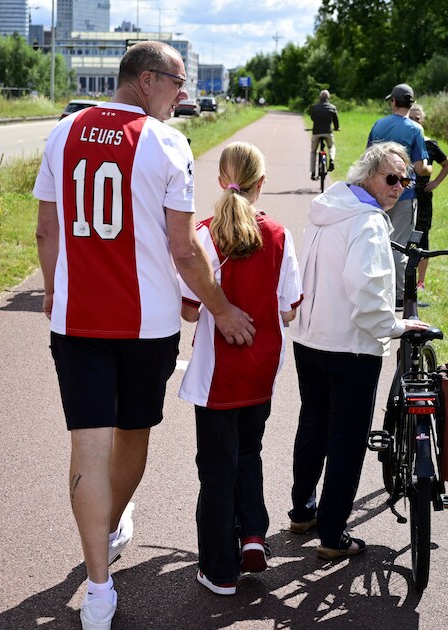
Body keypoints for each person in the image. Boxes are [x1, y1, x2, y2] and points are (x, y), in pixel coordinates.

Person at [33, 41, 256, 630]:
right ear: (149, 79)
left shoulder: (64, 131)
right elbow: (183, 250)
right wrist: (223, 309)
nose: (185, 94)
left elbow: (45, 232)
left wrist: (57, 297)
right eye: (179, 82)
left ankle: (99, 590)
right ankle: (107, 533)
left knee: (87, 446)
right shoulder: (167, 144)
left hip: (76, 320)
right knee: (133, 434)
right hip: (146, 325)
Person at [288, 142, 430, 559]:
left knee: (312, 425)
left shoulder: (325, 208)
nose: (399, 187)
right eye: (391, 178)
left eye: (404, 181)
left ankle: (302, 510)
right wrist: (394, 326)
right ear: (367, 175)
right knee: (347, 441)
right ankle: (333, 536)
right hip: (350, 345)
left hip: (310, 338)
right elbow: (366, 288)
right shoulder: (367, 223)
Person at [179, 141, 303, 596]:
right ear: (261, 184)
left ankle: (219, 570)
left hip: (218, 377)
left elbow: (191, 311)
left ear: (220, 179)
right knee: (249, 453)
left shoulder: (205, 236)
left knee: (216, 468)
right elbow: (289, 309)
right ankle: (253, 533)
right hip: (262, 372)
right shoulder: (280, 235)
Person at [366, 83, 431, 307]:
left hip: (376, 192)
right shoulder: (416, 129)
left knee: (376, 241)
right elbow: (421, 167)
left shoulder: (379, 124)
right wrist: (430, 170)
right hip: (403, 193)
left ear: (393, 101)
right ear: (410, 104)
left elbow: (368, 158)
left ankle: (376, 291)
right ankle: (400, 296)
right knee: (400, 245)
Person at [406, 104, 448, 290]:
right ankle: (400, 279)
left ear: (422, 121)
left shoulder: (430, 144)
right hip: (403, 196)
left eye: (417, 119)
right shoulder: (403, 142)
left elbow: (447, 164)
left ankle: (420, 282)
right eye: (410, 118)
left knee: (422, 239)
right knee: (401, 236)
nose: (414, 121)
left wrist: (435, 183)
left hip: (423, 198)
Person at [308, 89, 340, 181]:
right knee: (331, 146)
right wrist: (336, 128)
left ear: (320, 97)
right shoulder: (332, 107)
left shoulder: (315, 107)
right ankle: (332, 160)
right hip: (328, 132)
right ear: (328, 98)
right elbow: (336, 120)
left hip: (316, 132)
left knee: (313, 151)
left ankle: (313, 172)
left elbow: (312, 118)